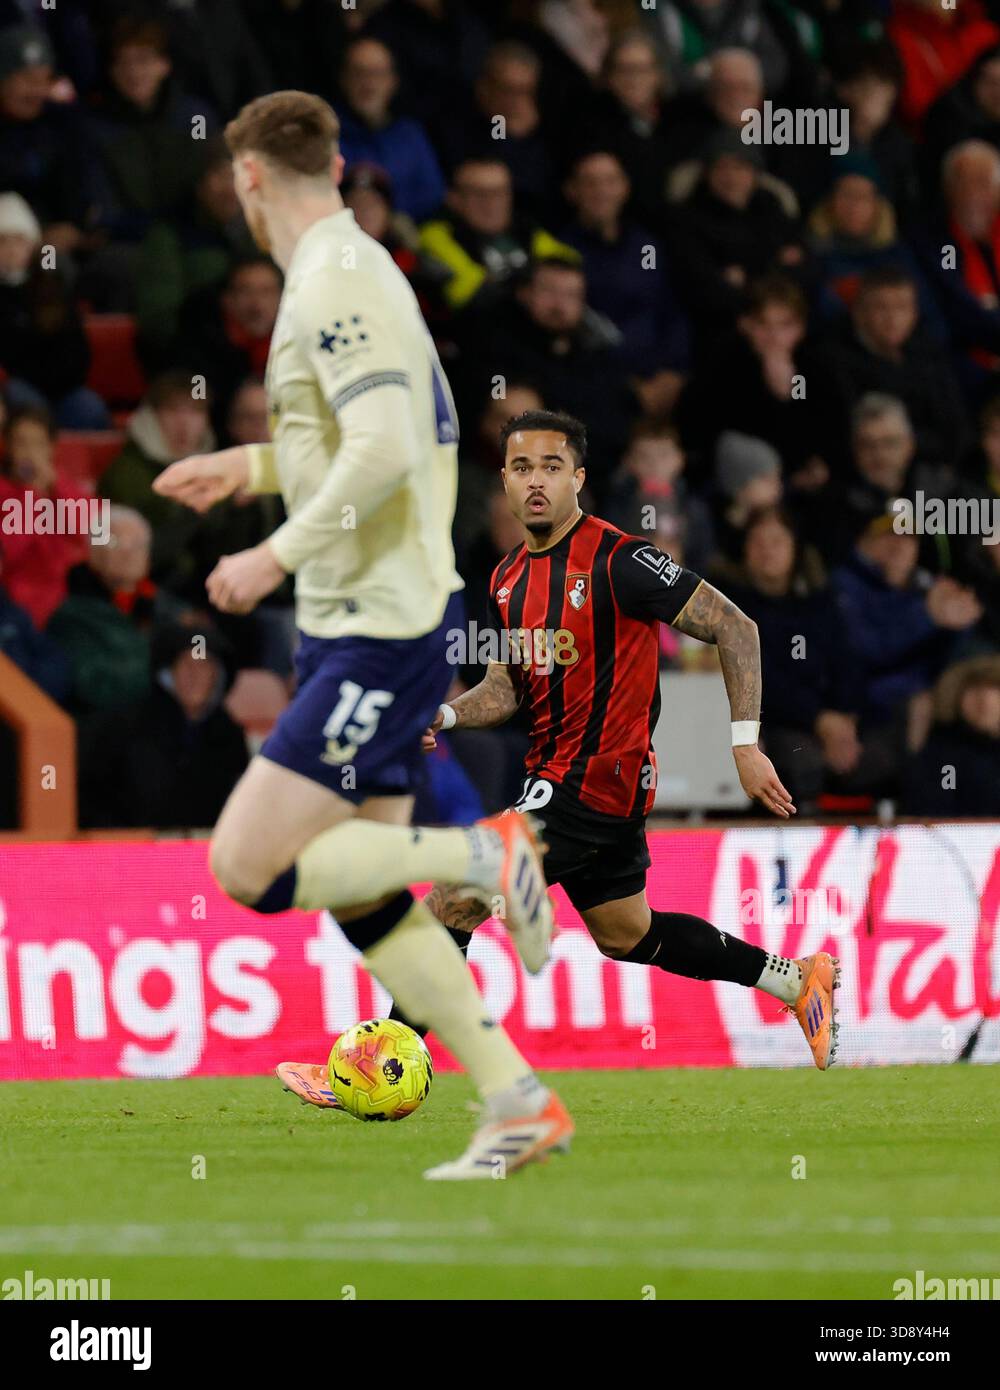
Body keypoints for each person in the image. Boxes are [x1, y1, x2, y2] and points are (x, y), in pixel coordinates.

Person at [151, 89, 570, 1180]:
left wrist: (269, 554)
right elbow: (371, 435)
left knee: (245, 864)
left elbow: (383, 449)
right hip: (377, 617)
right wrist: (245, 467)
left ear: (247, 177)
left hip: (377, 627)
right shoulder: (360, 265)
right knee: (365, 895)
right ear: (334, 163)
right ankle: (515, 1100)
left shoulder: (331, 279)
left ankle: (487, 852)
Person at [292, 409, 841, 1091]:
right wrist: (443, 713)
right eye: (522, 467)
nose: (536, 482)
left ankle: (379, 1068)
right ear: (503, 481)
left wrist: (745, 744)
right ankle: (793, 981)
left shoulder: (622, 561)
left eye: (552, 467)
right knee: (626, 932)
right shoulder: (505, 580)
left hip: (594, 781)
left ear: (578, 477)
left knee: (455, 899)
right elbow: (505, 688)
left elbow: (736, 626)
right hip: (560, 780)